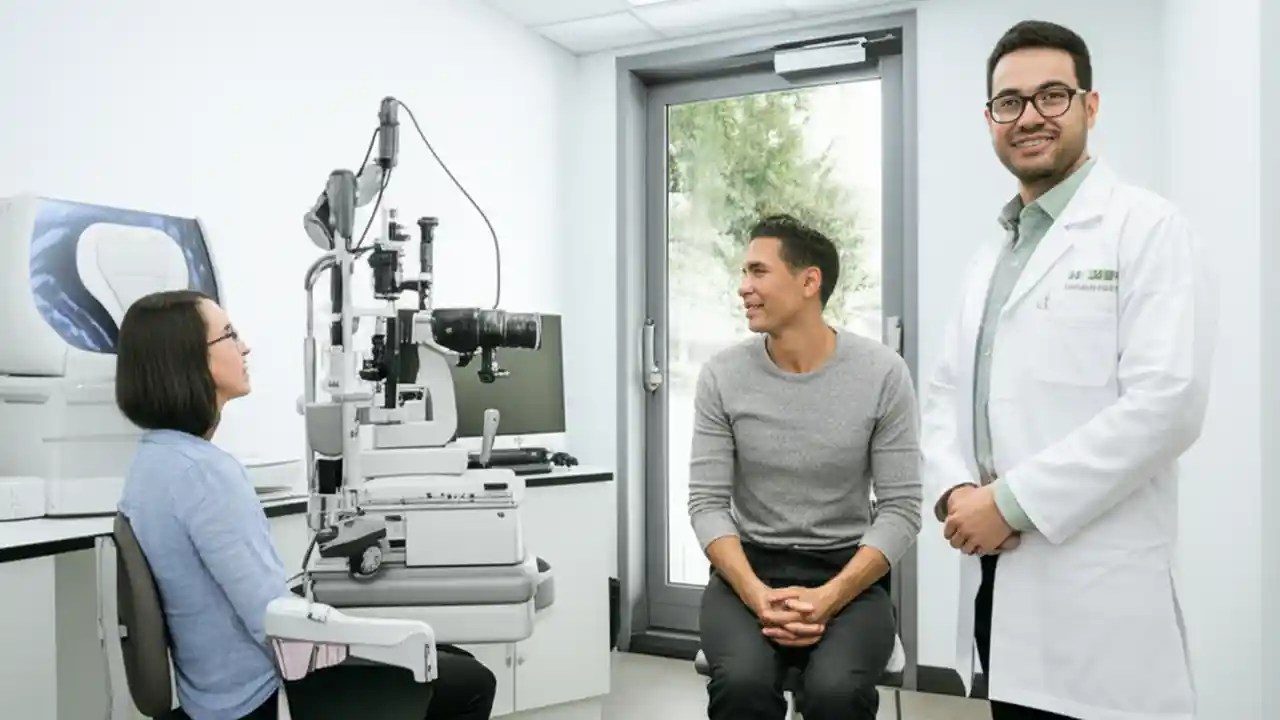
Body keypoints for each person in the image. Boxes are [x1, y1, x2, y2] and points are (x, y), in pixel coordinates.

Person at [921, 20, 1217, 720]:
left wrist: (1009, 503)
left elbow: (1167, 404)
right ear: (989, 119)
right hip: (999, 580)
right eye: (1009, 102)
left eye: (1052, 95)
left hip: (1099, 597)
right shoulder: (989, 257)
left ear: (1091, 105)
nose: (1029, 117)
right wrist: (957, 492)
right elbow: (945, 394)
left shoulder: (1146, 228)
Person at [114, 289, 497, 720]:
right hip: (260, 699)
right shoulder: (204, 474)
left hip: (211, 694)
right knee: (471, 682)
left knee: (448, 657)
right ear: (187, 360)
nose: (244, 346)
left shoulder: (152, 462)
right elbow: (272, 624)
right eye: (229, 335)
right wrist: (360, 632)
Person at [687, 214, 922, 720]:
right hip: (747, 571)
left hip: (848, 575)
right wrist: (754, 592)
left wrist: (832, 596)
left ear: (809, 281)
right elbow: (706, 503)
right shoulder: (722, 375)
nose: (743, 288)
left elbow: (902, 509)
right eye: (743, 274)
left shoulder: (882, 373)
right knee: (743, 685)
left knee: (835, 693)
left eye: (757, 272)